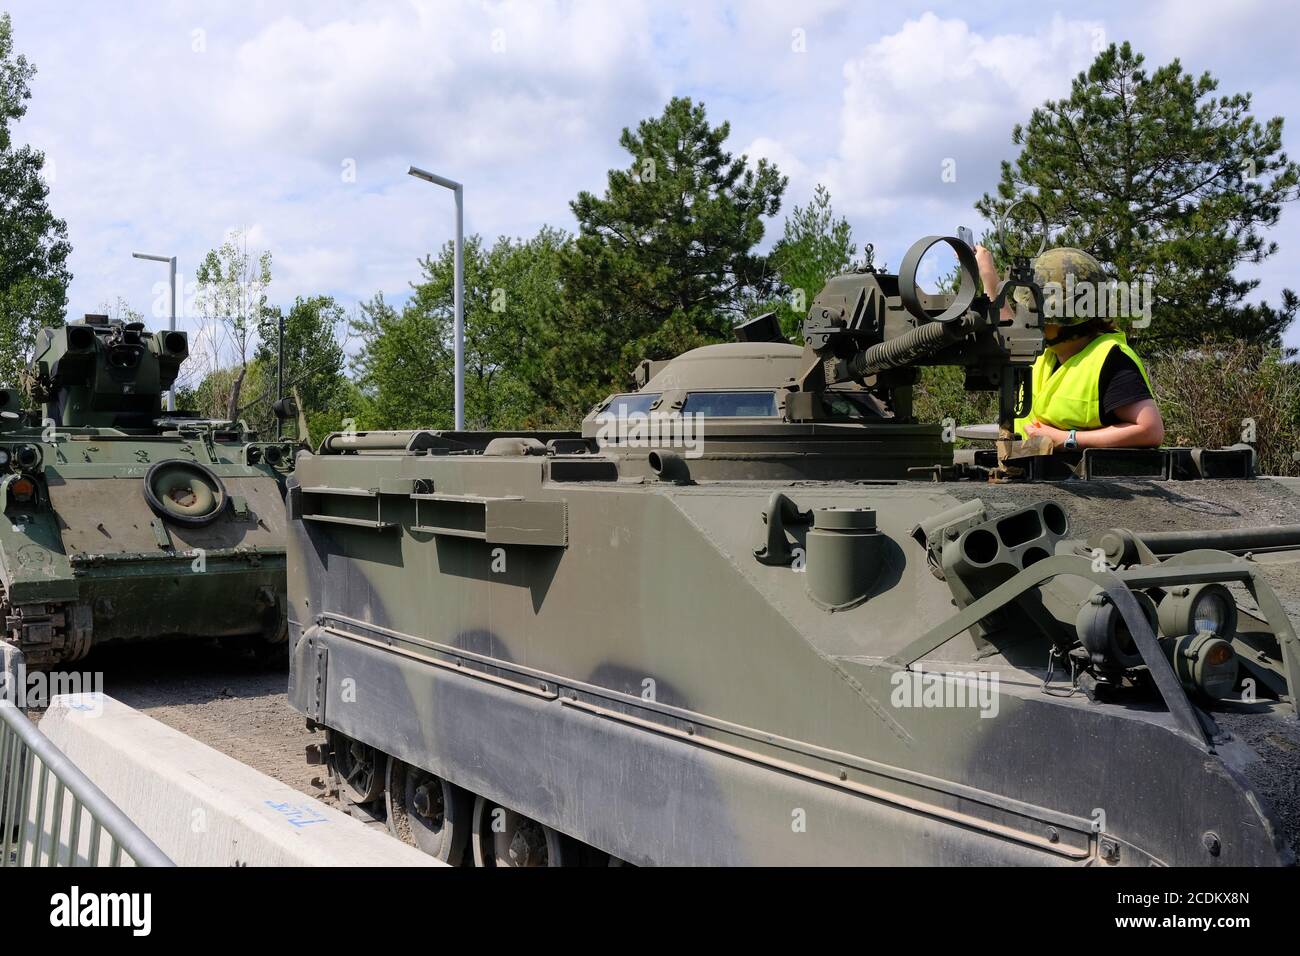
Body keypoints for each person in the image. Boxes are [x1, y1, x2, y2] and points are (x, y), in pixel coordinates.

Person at [973, 245, 1164, 452]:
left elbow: (1150, 430)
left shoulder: (1111, 360)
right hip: (1031, 476)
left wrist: (1067, 439)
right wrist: (986, 270)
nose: (1027, 319)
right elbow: (1006, 320)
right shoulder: (1044, 350)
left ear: (1065, 318)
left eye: (1035, 314)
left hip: (1081, 481)